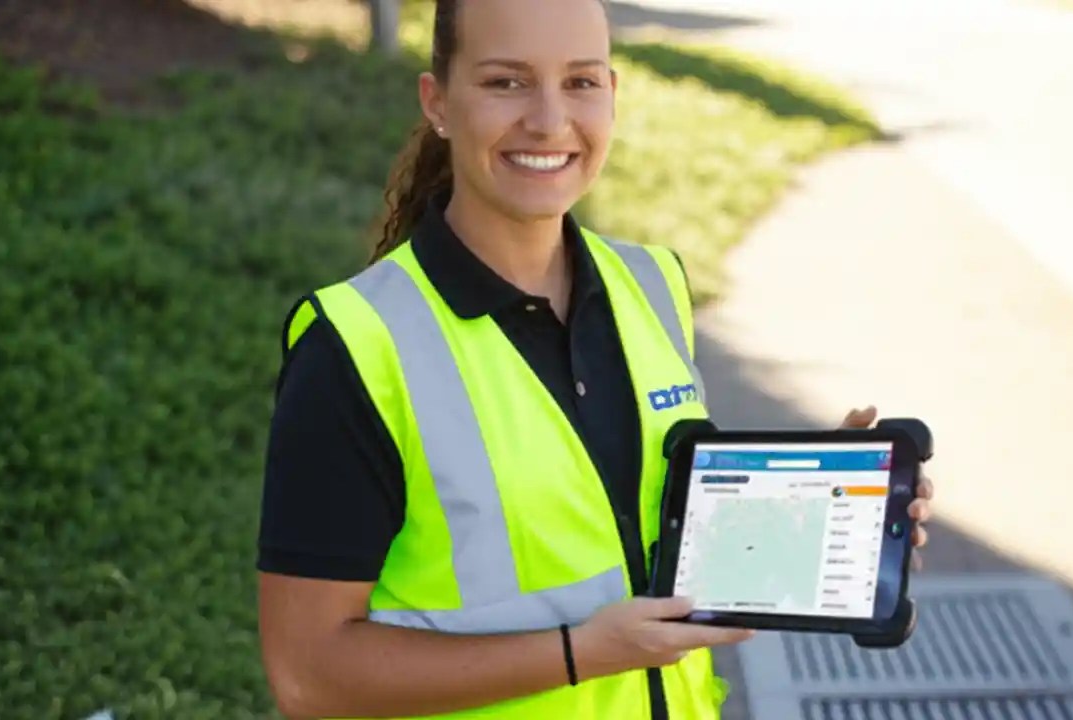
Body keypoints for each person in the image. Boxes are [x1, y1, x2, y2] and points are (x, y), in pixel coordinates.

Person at [255, 0, 935, 717]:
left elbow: (639, 534)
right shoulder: (355, 346)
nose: (550, 121)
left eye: (580, 82)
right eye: (505, 82)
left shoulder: (652, 284)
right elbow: (310, 676)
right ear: (439, 103)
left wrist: (817, 509)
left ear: (612, 93)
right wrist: (585, 652)